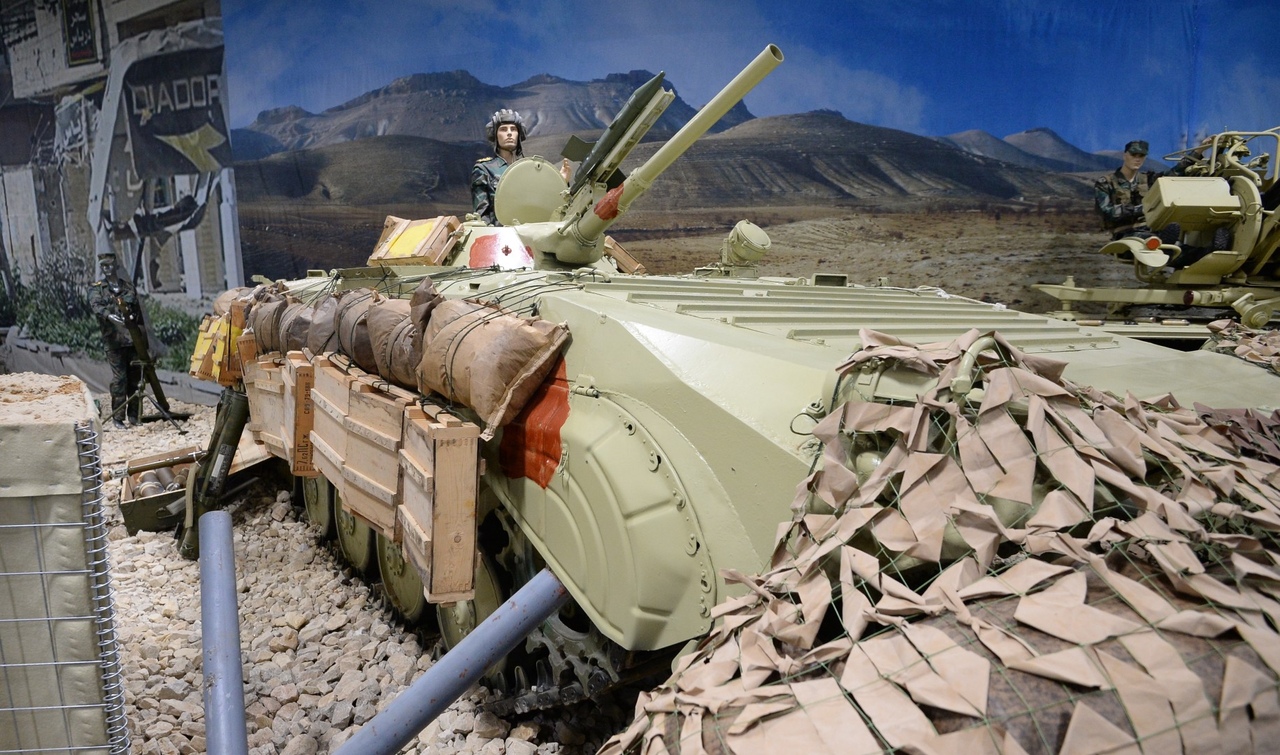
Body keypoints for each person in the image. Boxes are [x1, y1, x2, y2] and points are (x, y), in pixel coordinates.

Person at [1094, 139, 1198, 240]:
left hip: (1149, 229)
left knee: (1188, 247)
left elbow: (1174, 173)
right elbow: (1107, 212)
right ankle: (1163, 241)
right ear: (1125, 155)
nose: (1137, 159)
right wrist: (1138, 209)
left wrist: (1198, 151)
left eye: (1141, 156)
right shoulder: (1106, 183)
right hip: (1123, 233)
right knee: (1154, 240)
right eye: (1133, 155)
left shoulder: (1148, 179)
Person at [89, 251, 144, 428]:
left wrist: (141, 336)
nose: (107, 268)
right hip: (114, 342)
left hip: (132, 340)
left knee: (135, 379)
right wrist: (111, 317)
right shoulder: (97, 289)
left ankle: (134, 416)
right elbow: (97, 307)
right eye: (103, 266)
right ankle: (118, 417)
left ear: (116, 266)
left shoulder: (128, 287)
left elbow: (138, 313)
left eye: (109, 265)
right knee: (120, 379)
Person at [471, 109, 528, 226]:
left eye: (513, 129)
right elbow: (482, 216)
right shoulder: (484, 170)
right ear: (495, 135)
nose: (509, 133)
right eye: (503, 129)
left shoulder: (528, 169)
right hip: (500, 233)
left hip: (530, 232)